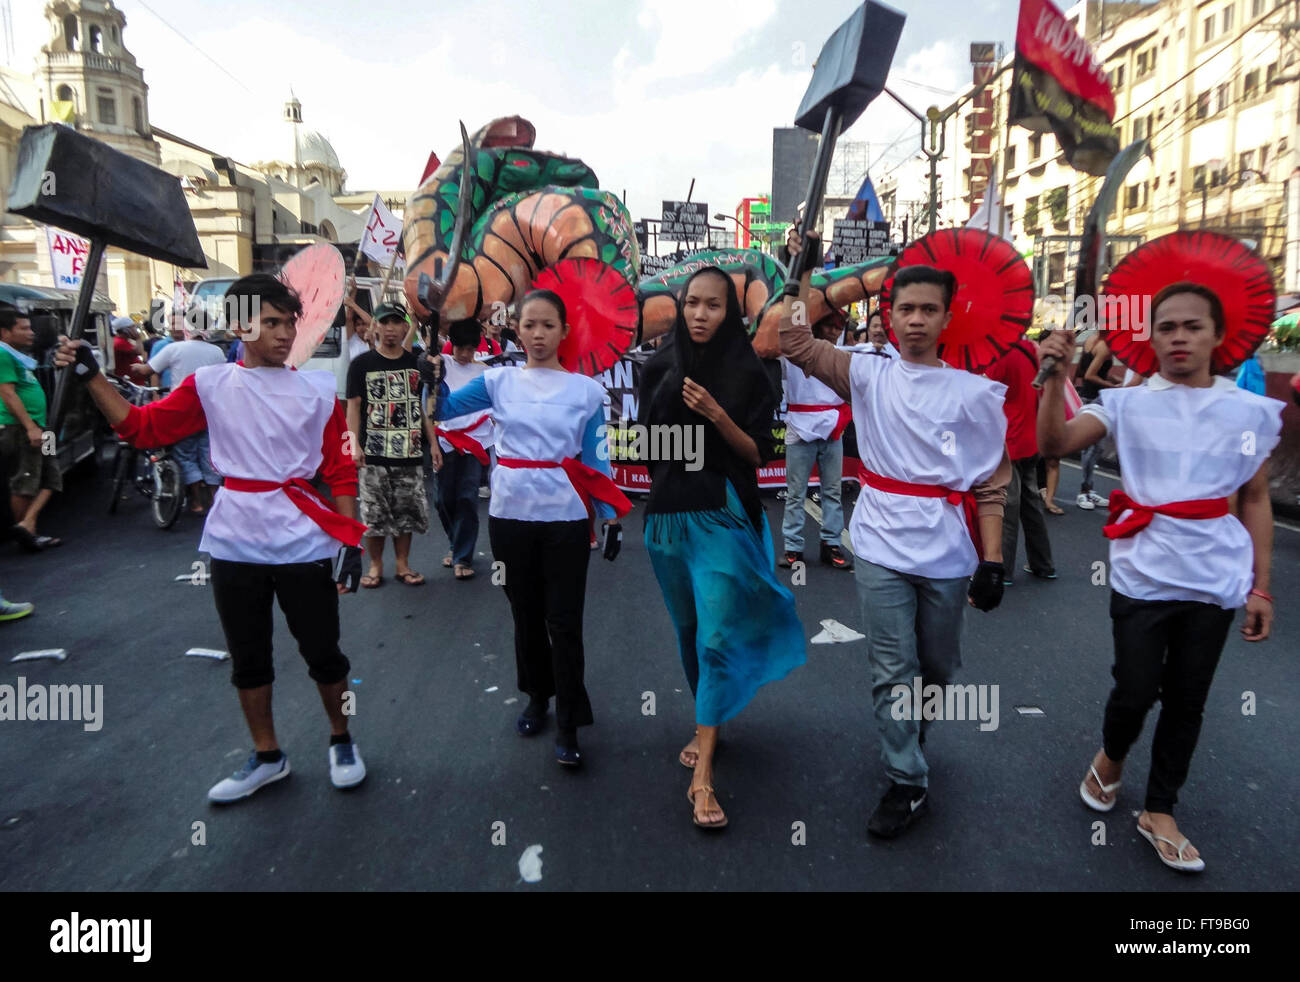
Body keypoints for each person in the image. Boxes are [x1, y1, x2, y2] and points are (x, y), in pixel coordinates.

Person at [54, 273, 369, 803]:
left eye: (289, 322)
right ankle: (268, 755)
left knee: (324, 653)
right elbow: (141, 428)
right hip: (233, 543)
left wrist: (352, 544)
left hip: (304, 544)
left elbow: (339, 469)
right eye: (271, 322)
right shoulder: (211, 386)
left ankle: (341, 740)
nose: (284, 333)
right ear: (240, 325)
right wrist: (90, 375)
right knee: (248, 658)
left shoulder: (316, 390)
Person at [1040, 282, 1282, 873]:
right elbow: (1054, 444)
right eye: (1167, 326)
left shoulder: (1247, 410)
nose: (1179, 337)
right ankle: (1114, 754)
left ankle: (1160, 810)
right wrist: (1053, 376)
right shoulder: (1126, 401)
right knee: (1136, 687)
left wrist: (1260, 586)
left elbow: (1253, 499)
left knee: (1187, 698)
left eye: (1193, 326)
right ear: (1151, 336)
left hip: (1215, 579)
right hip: (1143, 571)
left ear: (1217, 337)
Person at [782, 231, 1010, 839]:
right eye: (905, 309)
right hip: (879, 541)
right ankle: (906, 780)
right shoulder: (865, 373)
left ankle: (911, 734)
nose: (915, 320)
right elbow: (793, 340)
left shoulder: (974, 393)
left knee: (937, 666)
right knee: (893, 664)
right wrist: (801, 272)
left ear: (946, 316)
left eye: (927, 310)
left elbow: (990, 484)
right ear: (890, 314)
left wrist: (993, 561)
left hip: (948, 552)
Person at [640, 266, 806, 829]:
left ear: (730, 313)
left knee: (714, 639)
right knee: (690, 636)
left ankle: (703, 776)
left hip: (724, 516)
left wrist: (715, 413)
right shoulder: (658, 367)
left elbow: (759, 454)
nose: (699, 314)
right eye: (691, 304)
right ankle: (707, 719)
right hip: (666, 522)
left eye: (713, 305)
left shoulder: (753, 374)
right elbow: (650, 450)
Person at [437, 288, 631, 769]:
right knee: (524, 614)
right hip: (509, 517)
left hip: (565, 519)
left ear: (565, 332)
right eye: (529, 325)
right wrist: (429, 379)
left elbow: (597, 459)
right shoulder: (498, 381)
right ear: (516, 330)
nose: (539, 334)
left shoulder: (586, 391)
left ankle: (569, 720)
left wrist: (609, 518)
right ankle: (537, 696)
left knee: (564, 621)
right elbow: (443, 410)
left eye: (549, 325)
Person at [346, 301, 431, 588]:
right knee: (374, 514)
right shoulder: (360, 364)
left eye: (397, 322)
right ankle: (375, 565)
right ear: (375, 326)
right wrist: (353, 444)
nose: (390, 328)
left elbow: (426, 405)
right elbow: (354, 407)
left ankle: (403, 565)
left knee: (406, 513)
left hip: (410, 450)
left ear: (405, 326)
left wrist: (433, 445)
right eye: (384, 322)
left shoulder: (417, 362)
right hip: (373, 453)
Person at [780, 312, 853, 570]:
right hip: (801, 427)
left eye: (839, 327)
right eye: (830, 326)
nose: (835, 331)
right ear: (817, 324)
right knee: (796, 492)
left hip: (833, 426)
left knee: (832, 491)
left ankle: (831, 544)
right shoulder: (792, 349)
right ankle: (793, 546)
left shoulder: (841, 353)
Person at [137, 308, 226, 513]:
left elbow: (148, 370)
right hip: (209, 411)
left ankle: (195, 501)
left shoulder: (175, 349)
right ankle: (215, 502)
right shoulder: (216, 352)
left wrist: (136, 369)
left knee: (185, 455)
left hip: (182, 410)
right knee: (208, 455)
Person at [985, 338, 1054, 585]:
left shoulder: (999, 353)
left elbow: (987, 395)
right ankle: (1043, 564)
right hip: (1030, 435)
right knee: (1031, 503)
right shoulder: (1030, 349)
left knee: (1007, 506)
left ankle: (1001, 569)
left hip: (1010, 439)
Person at [432, 318, 494, 579]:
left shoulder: (485, 373)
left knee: (467, 498)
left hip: (475, 442)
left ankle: (462, 557)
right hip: (445, 440)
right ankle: (455, 543)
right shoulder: (440, 365)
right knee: (443, 499)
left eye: (471, 349)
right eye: (461, 349)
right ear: (451, 345)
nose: (466, 355)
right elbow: (429, 399)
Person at [0, 303, 62, 551]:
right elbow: (7, 393)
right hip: (23, 429)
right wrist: (30, 428)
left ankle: (28, 523)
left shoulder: (18, 356)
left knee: (52, 476)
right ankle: (26, 533)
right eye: (24, 328)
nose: (31, 332)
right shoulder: (3, 355)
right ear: (4, 332)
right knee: (25, 481)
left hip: (41, 427)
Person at [1075, 329, 1116, 509]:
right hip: (1094, 400)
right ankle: (1084, 492)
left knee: (1093, 450)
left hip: (1086, 396)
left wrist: (1113, 380)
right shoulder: (1105, 347)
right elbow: (1090, 375)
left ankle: (1088, 489)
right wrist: (1112, 387)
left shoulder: (1091, 340)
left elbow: (1084, 370)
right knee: (1092, 450)